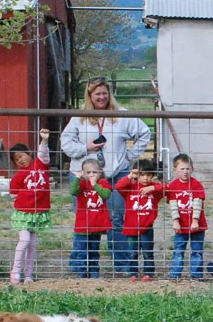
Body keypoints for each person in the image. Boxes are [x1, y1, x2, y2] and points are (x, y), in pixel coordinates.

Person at [61, 77, 151, 277]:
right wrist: (86, 148)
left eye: (104, 93)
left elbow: (144, 133)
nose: (101, 97)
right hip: (85, 177)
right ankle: (82, 267)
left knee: (116, 220)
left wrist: (129, 156)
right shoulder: (79, 118)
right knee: (85, 221)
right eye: (97, 94)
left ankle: (123, 265)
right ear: (89, 96)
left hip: (115, 175)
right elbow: (65, 143)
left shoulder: (121, 116)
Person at [8, 130, 52, 284]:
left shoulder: (40, 164)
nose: (20, 160)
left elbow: (43, 154)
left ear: (29, 153)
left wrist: (44, 141)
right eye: (16, 159)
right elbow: (13, 194)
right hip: (23, 212)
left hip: (37, 212)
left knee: (32, 244)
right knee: (25, 240)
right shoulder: (19, 175)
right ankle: (15, 271)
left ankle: (28, 275)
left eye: (22, 156)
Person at [115, 158, 164, 281]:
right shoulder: (130, 188)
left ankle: (148, 273)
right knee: (133, 252)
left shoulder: (154, 188)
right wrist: (130, 176)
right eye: (142, 175)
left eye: (149, 175)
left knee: (147, 252)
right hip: (131, 227)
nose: (146, 178)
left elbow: (167, 189)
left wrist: (152, 188)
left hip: (147, 226)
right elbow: (118, 186)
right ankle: (133, 273)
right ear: (137, 175)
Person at [165, 154, 208, 280]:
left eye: (188, 169)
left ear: (192, 169)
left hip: (197, 225)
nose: (185, 172)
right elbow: (173, 205)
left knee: (197, 251)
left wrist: (195, 221)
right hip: (181, 225)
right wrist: (175, 221)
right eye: (182, 169)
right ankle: (175, 274)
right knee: (178, 249)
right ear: (175, 170)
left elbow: (198, 203)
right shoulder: (173, 186)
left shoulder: (196, 185)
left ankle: (196, 275)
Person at [69, 159, 113, 279]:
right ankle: (82, 272)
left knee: (94, 250)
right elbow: (73, 191)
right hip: (82, 225)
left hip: (97, 225)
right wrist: (77, 178)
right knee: (82, 250)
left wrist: (94, 185)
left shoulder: (103, 183)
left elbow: (106, 195)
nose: (91, 175)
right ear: (83, 173)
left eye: (94, 172)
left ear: (100, 172)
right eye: (88, 172)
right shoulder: (82, 184)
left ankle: (94, 271)